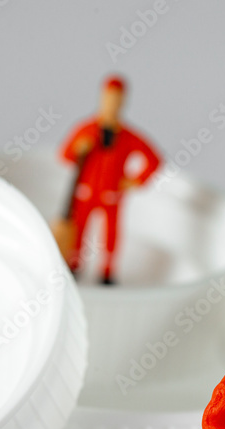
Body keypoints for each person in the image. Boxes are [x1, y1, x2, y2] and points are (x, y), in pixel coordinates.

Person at [58, 75, 161, 284]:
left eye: (117, 100)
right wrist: (78, 149)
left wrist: (135, 180)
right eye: (108, 99)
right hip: (85, 192)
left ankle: (107, 270)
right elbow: (65, 155)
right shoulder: (86, 129)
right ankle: (75, 263)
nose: (111, 104)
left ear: (123, 102)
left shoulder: (129, 137)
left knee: (110, 235)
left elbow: (154, 160)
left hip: (112, 195)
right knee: (80, 230)